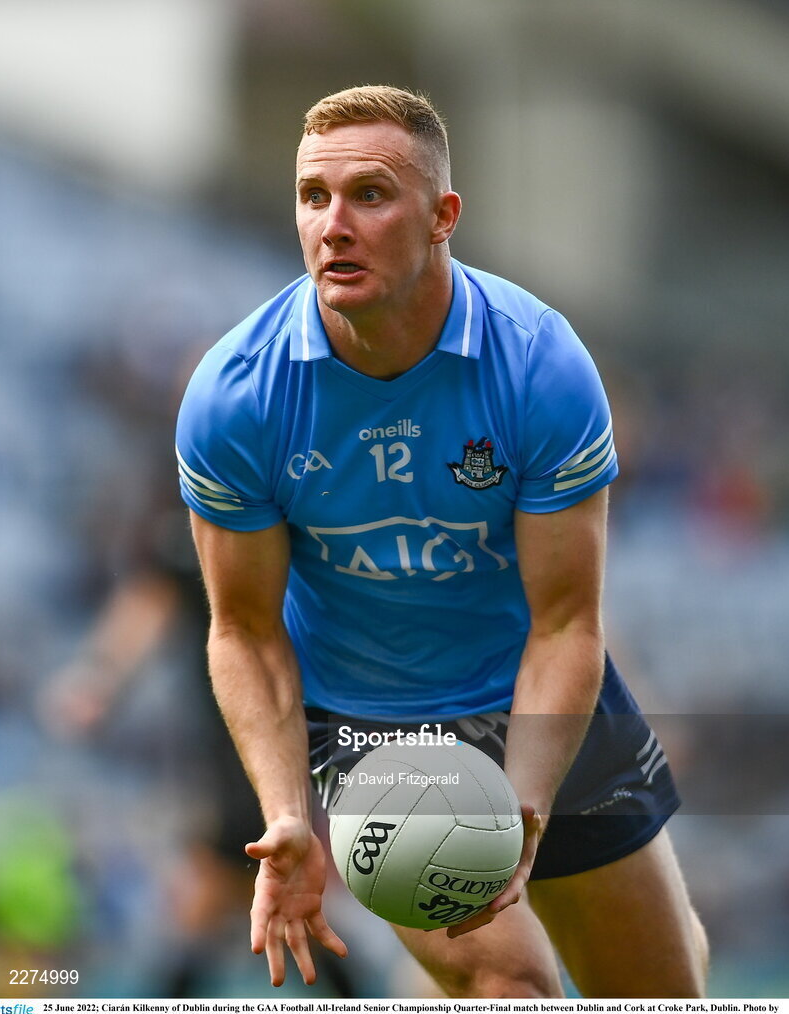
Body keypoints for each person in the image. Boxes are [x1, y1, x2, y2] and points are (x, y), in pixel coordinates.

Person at [175, 85, 708, 998]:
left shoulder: (539, 365)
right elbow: (245, 632)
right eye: (313, 197)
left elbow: (567, 623)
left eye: (370, 195)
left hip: (537, 697)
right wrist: (288, 814)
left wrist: (527, 803)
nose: (333, 225)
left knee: (661, 993)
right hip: (368, 730)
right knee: (512, 989)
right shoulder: (237, 396)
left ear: (441, 217)